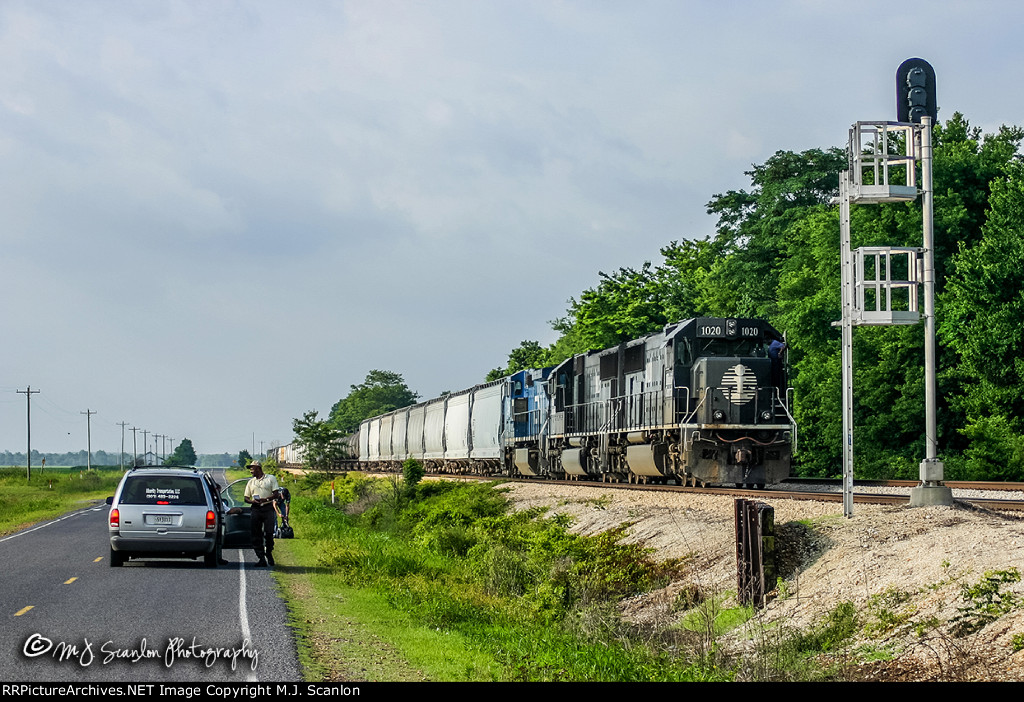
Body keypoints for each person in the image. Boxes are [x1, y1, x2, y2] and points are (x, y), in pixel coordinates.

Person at [243, 460, 282, 567]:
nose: (251, 471)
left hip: (268, 508)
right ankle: (261, 557)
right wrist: (252, 501)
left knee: (269, 533)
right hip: (256, 508)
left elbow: (276, 494)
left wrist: (266, 499)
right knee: (256, 534)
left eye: (252, 468)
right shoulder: (251, 482)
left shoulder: (270, 478)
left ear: (258, 468)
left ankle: (269, 552)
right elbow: (246, 498)